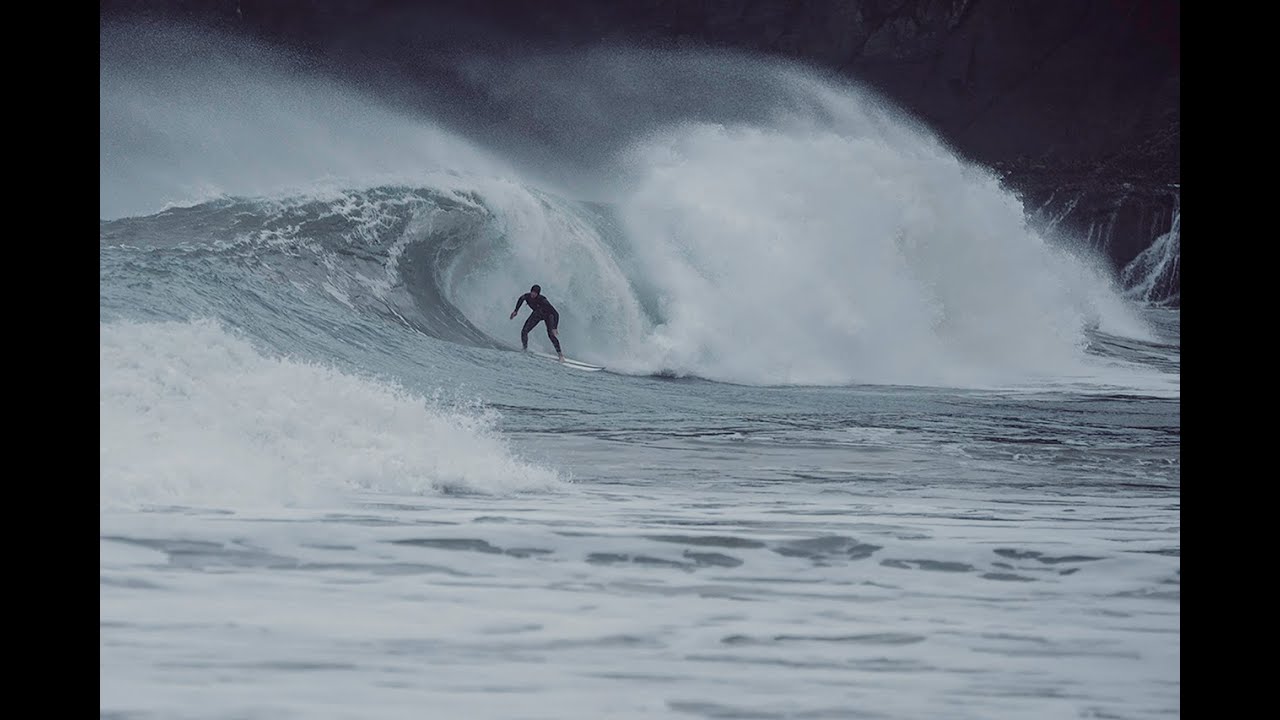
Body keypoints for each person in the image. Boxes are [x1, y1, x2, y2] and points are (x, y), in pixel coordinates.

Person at [509, 284, 563, 361]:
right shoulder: (527, 296)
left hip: (548, 316)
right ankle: (525, 349)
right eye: (532, 292)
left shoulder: (543, 300)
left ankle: (560, 355)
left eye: (535, 293)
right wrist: (515, 311)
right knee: (524, 331)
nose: (533, 294)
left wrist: (555, 327)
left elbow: (555, 313)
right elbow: (521, 299)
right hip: (537, 314)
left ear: (538, 294)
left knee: (551, 335)